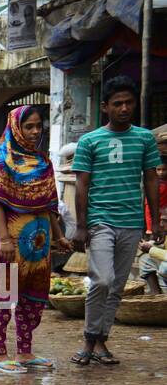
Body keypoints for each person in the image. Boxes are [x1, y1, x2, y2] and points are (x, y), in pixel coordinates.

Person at [70, 76, 162, 366]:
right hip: (100, 221)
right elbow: (82, 185)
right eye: (117, 103)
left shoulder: (145, 138)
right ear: (105, 107)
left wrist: (156, 221)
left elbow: (150, 179)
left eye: (129, 103)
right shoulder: (89, 141)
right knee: (102, 280)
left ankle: (100, 342)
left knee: (117, 286)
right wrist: (81, 226)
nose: (124, 108)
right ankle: (88, 337)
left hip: (132, 222)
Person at [0, 105, 70, 374]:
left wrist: (59, 236)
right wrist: (6, 240)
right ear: (16, 128)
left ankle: (25, 352)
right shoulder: (2, 161)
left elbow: (49, 205)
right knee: (3, 298)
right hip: (10, 244)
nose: (34, 132)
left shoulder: (44, 162)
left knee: (32, 301)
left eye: (37, 127)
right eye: (28, 127)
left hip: (38, 246)